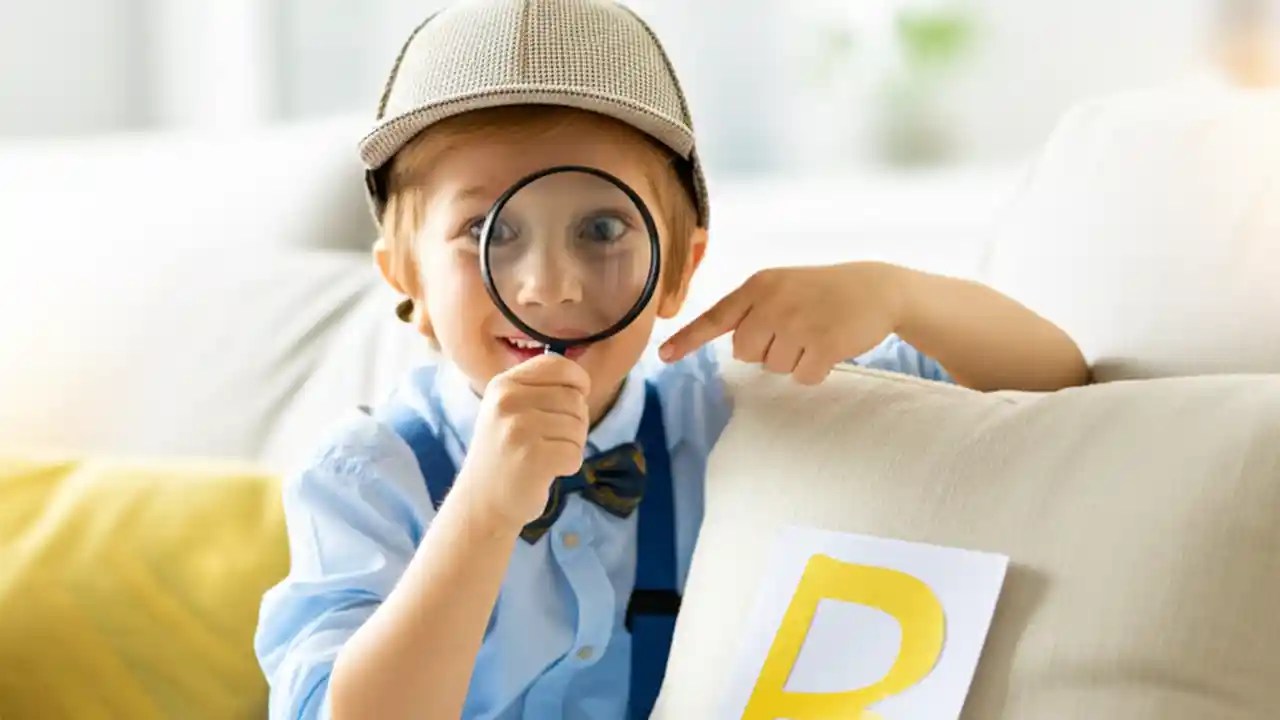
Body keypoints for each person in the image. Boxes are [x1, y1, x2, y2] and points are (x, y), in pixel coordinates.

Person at [254, 1, 1089, 718]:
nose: (547, 287)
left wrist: (898, 294)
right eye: (489, 232)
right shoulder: (366, 476)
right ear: (405, 276)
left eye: (602, 230)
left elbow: (1053, 376)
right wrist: (479, 514)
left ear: (680, 270)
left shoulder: (735, 418)